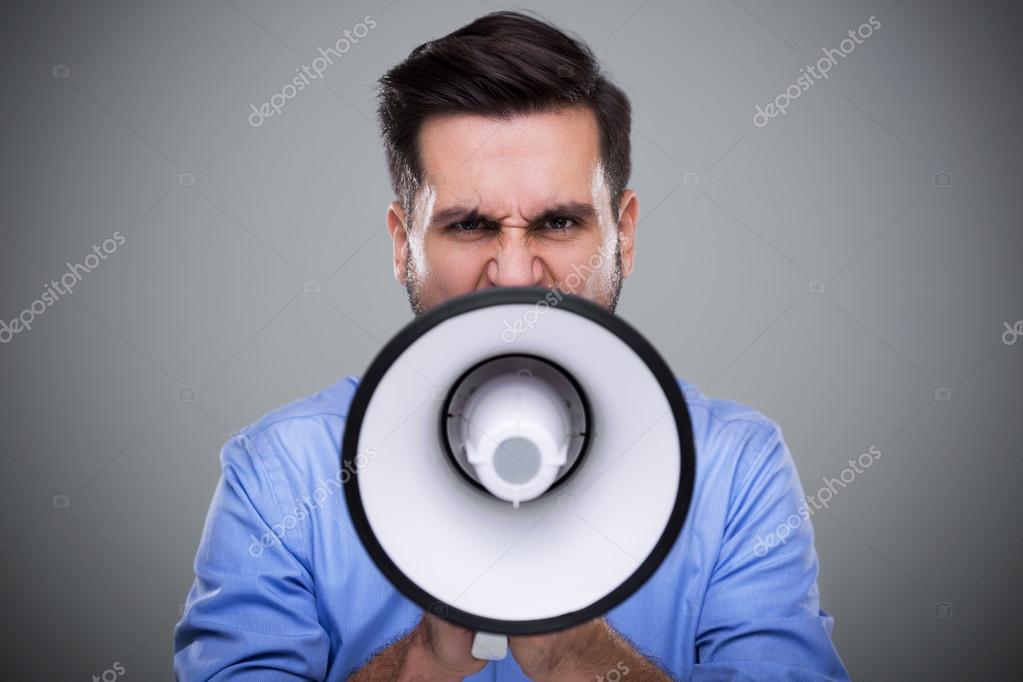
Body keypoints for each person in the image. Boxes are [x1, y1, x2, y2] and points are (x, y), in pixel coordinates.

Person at [175, 10, 850, 680]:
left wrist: (575, 648)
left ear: (625, 236)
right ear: (400, 245)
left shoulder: (732, 471)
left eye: (558, 223)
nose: (515, 274)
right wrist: (423, 662)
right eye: (469, 226)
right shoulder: (283, 474)